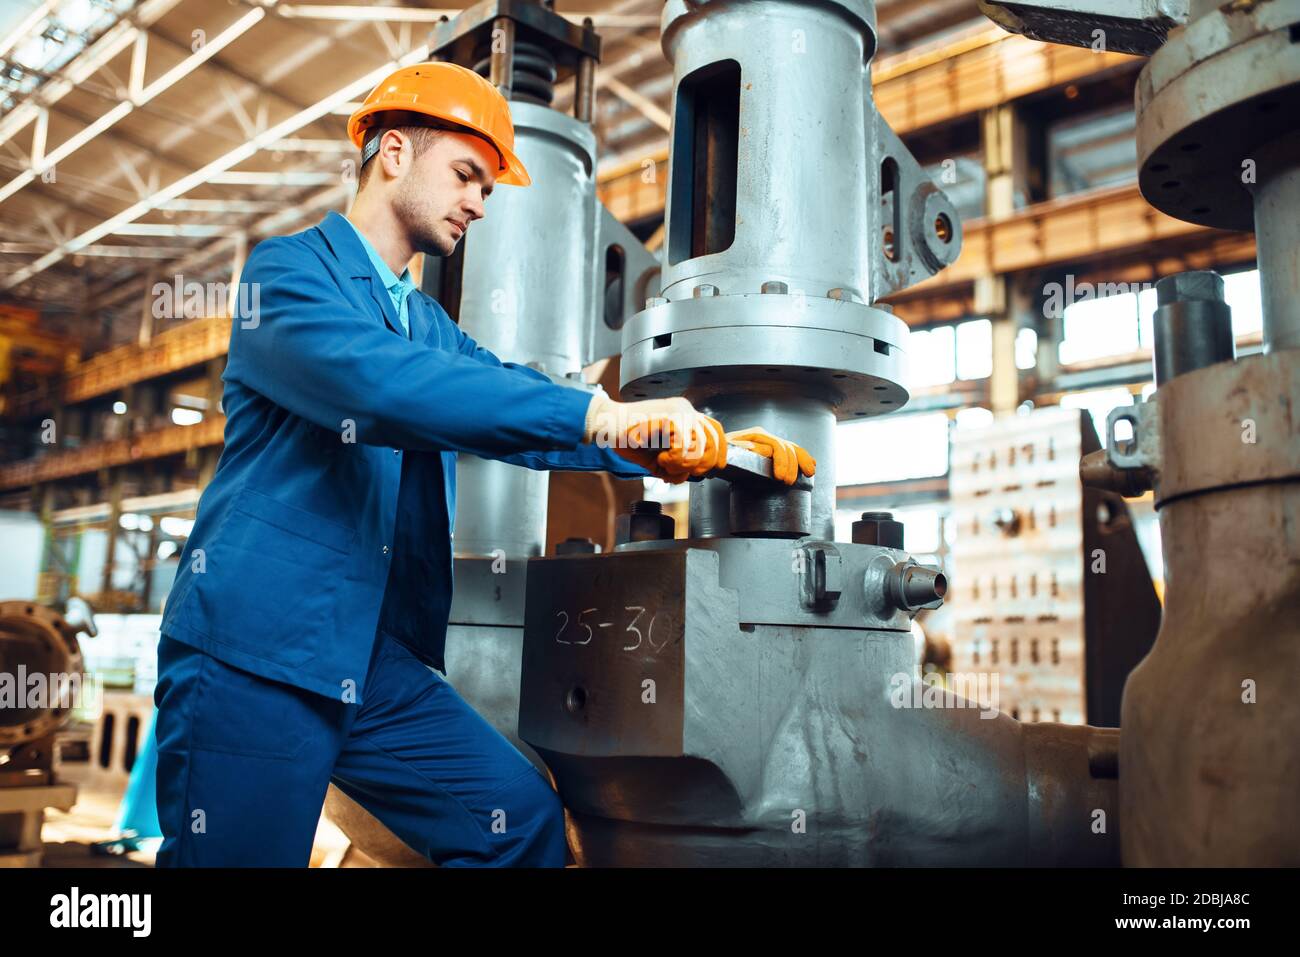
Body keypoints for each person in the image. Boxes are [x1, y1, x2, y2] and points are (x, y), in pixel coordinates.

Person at [153, 62, 814, 867]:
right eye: (466, 175)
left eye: (488, 189)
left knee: (516, 819)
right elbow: (388, 386)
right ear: (393, 151)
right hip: (256, 654)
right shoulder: (287, 276)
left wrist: (666, 442)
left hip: (370, 662)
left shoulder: (423, 322)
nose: (477, 201)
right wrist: (600, 413)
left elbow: (502, 397)